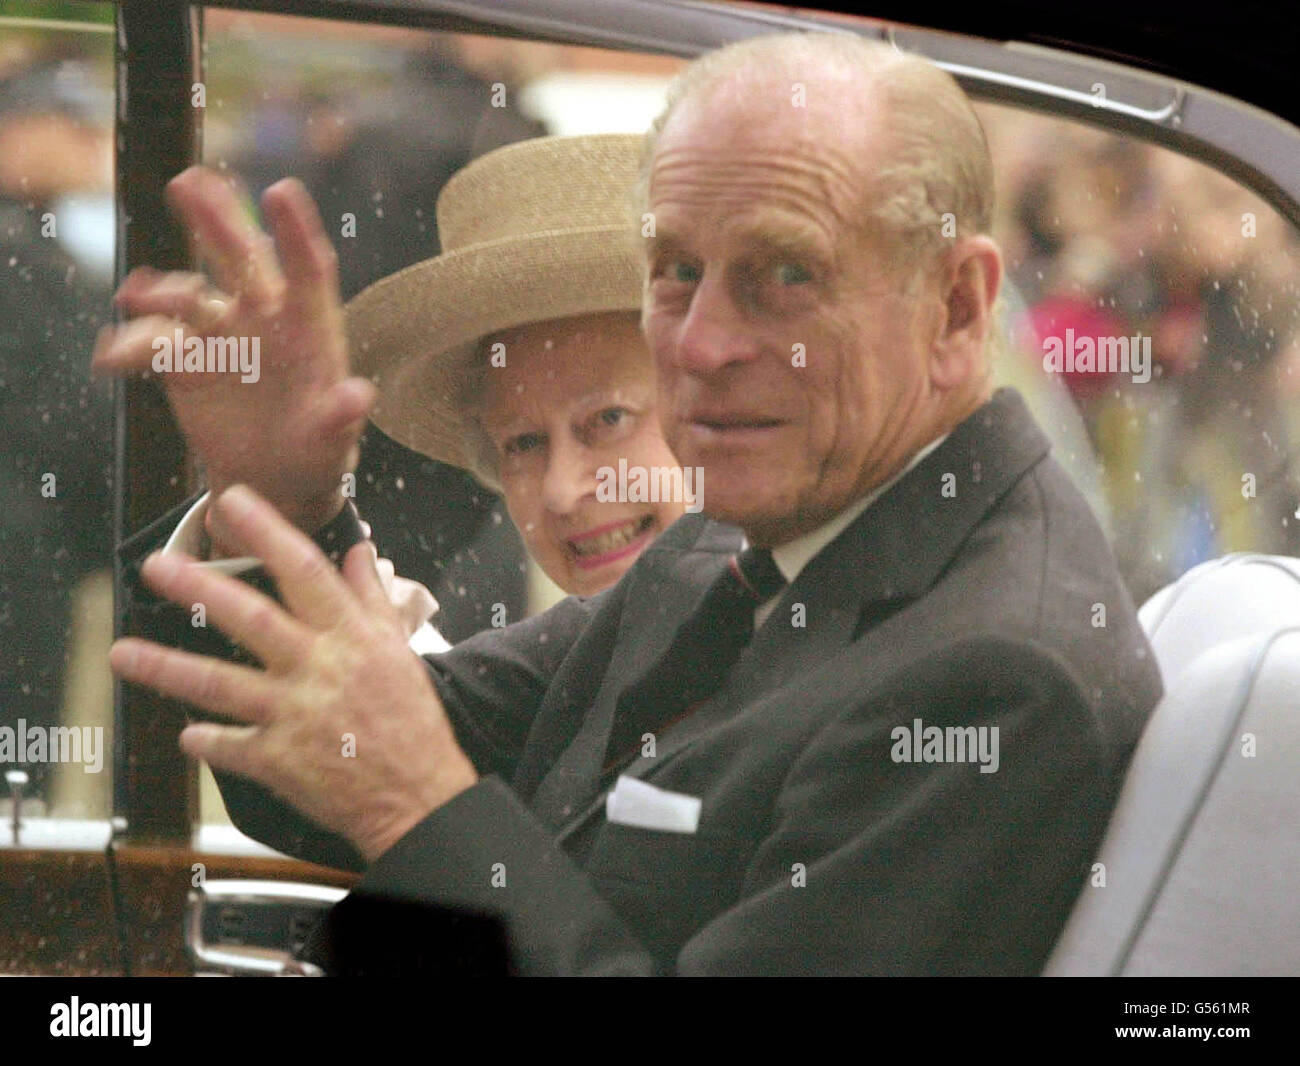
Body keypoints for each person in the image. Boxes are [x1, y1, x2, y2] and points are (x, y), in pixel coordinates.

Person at [101, 32, 1162, 975]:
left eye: (783, 274)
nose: (697, 344)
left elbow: (407, 774)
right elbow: (319, 761)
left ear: (957, 306)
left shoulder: (991, 679)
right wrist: (277, 491)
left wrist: (417, 804)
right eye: (675, 270)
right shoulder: (752, 539)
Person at [344, 133, 689, 599]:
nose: (561, 492)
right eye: (523, 443)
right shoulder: (502, 648)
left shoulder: (811, 645)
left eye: (610, 418)